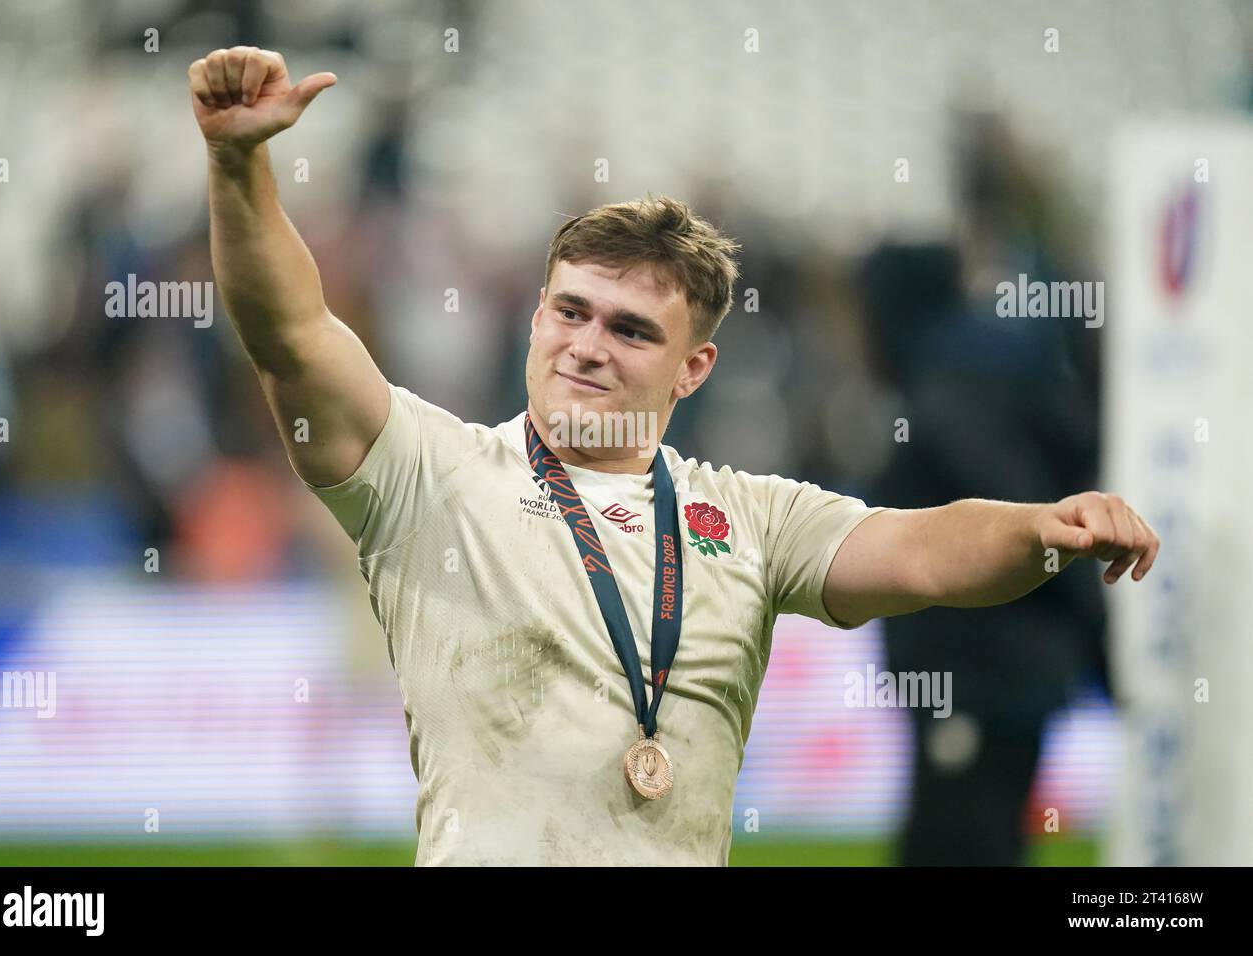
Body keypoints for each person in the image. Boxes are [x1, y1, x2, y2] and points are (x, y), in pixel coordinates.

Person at [187, 47, 1161, 866]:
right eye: (567, 311)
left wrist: (1041, 528)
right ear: (534, 319)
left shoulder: (750, 513)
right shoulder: (431, 471)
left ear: (692, 368)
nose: (586, 344)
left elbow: (920, 551)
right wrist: (238, 172)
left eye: (629, 329)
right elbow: (293, 336)